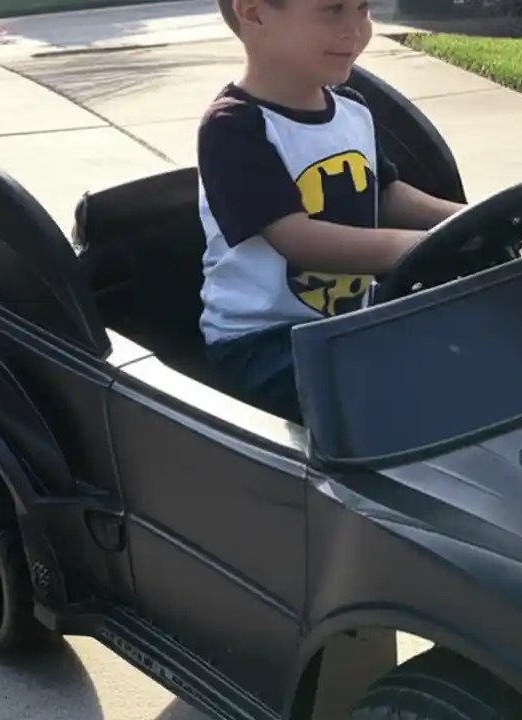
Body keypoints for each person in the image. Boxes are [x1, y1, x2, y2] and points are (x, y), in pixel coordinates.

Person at [199, 0, 464, 423]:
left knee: (472, 347)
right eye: (333, 10)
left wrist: (466, 219)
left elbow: (385, 194)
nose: (355, 29)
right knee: (415, 396)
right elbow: (299, 240)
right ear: (254, 14)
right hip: (265, 342)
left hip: (349, 322)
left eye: (362, 9)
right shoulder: (235, 128)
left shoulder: (352, 108)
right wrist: (421, 246)